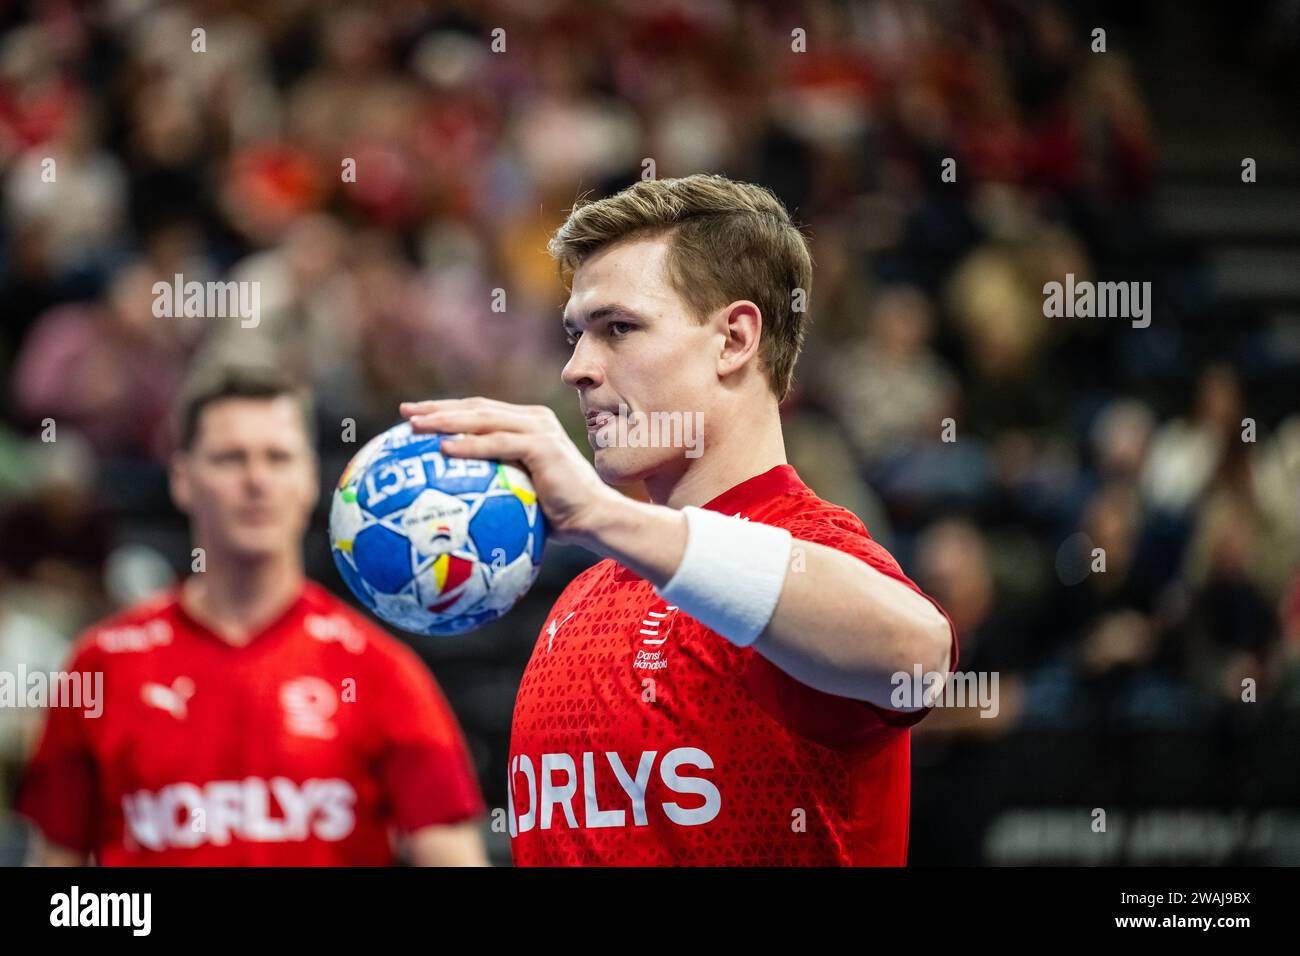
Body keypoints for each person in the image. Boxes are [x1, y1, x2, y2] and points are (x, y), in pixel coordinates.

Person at [401, 173, 959, 865]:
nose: (576, 368)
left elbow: (921, 654)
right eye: (575, 334)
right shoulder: (583, 596)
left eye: (619, 328)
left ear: (734, 339)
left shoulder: (811, 543)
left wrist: (604, 516)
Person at [18, 366, 487, 865]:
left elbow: (454, 858)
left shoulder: (382, 672)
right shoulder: (100, 666)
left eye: (277, 457)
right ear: (182, 478)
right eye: (230, 458)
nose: (256, 480)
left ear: (310, 478)